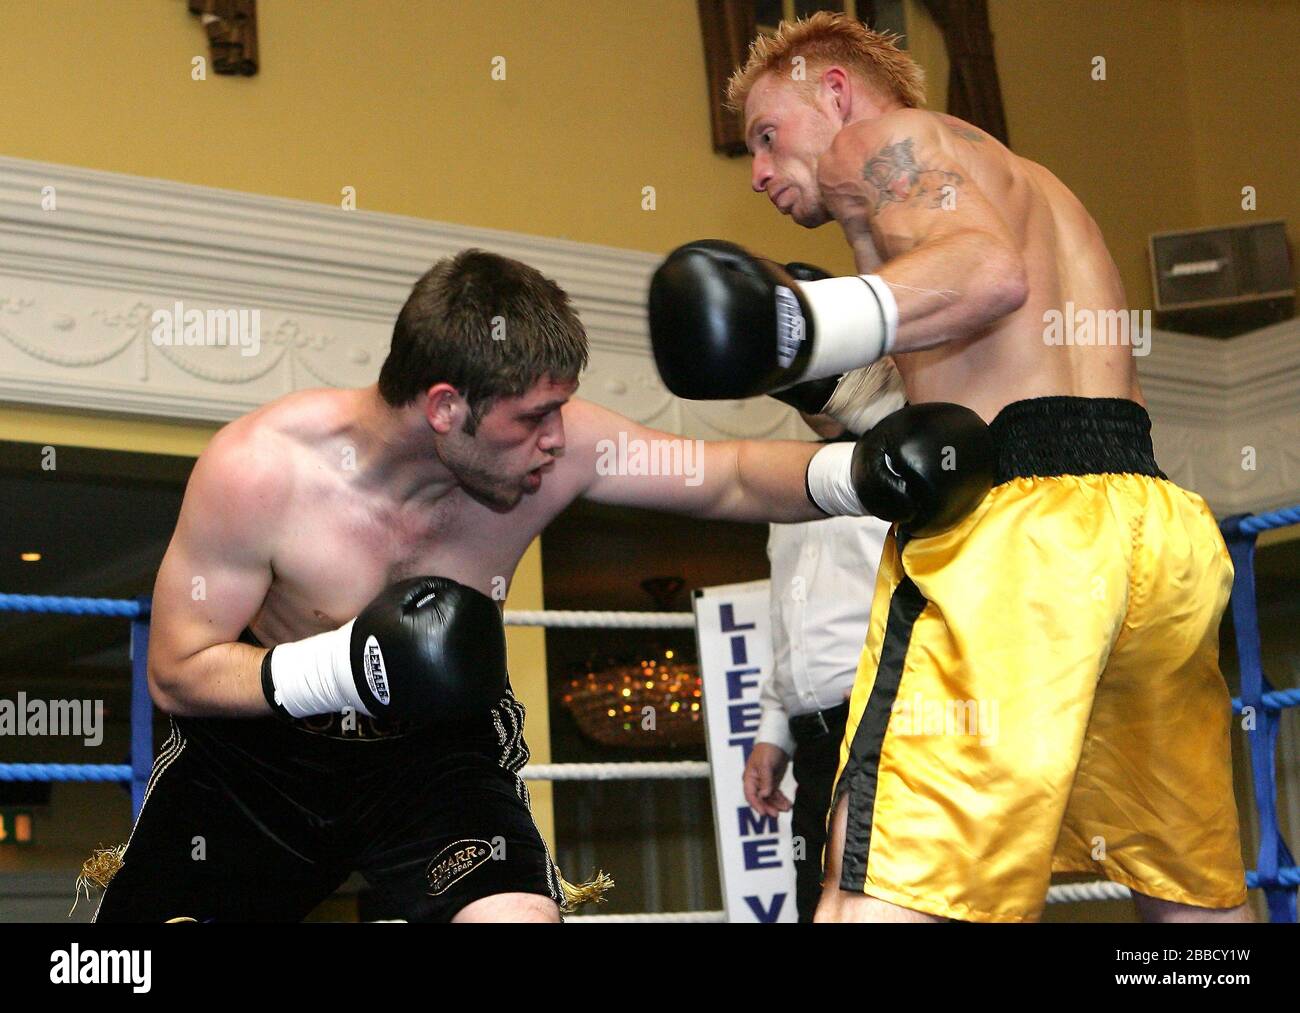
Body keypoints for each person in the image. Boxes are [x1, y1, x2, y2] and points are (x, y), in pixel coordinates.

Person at [92, 248, 988, 923]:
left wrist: (858, 476)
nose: (558, 441)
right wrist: (342, 667)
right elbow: (176, 671)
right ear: (446, 407)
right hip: (259, 762)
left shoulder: (555, 449)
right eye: (532, 419)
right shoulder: (261, 471)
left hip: (436, 758)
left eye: (561, 408)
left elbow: (726, 477)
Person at [650, 12, 1249, 923]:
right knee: (1186, 894)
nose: (761, 170)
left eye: (768, 137)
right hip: (1152, 529)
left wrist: (799, 323)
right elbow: (965, 375)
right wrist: (822, 380)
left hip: (1019, 538)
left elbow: (987, 274)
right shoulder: (1037, 183)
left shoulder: (875, 144)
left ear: (836, 90)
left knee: (880, 877)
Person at [744, 412, 890, 922]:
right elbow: (788, 623)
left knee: (876, 907)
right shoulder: (786, 479)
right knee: (817, 906)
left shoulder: (903, 464)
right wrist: (773, 733)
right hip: (814, 747)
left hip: (887, 733)